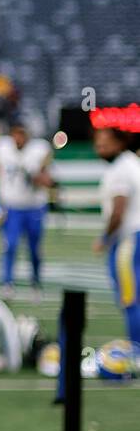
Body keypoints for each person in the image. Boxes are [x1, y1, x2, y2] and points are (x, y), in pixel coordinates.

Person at [0, 118, 52, 302]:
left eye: (21, 133)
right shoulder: (2, 147)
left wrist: (36, 178)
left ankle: (36, 283)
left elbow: (47, 179)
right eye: (15, 133)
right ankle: (7, 283)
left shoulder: (40, 149)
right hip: (11, 206)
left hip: (34, 206)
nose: (18, 138)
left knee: (34, 249)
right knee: (10, 245)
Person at [92, 125, 140, 356]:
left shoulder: (121, 169)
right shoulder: (131, 162)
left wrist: (105, 238)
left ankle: (137, 349)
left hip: (128, 240)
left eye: (105, 143)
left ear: (119, 143)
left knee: (130, 297)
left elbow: (119, 210)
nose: (99, 147)